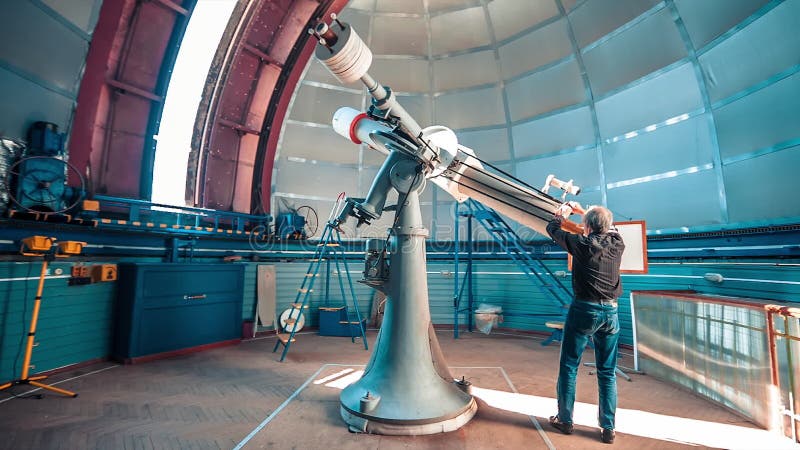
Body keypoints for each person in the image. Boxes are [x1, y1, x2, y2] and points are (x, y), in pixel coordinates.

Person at [545, 203, 624, 445]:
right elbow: (612, 227)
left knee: (569, 366)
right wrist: (584, 213)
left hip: (583, 311)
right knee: (607, 372)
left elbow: (552, 227)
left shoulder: (581, 244)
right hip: (611, 313)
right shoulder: (618, 243)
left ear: (587, 227)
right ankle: (608, 428)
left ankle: (565, 420)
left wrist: (563, 213)